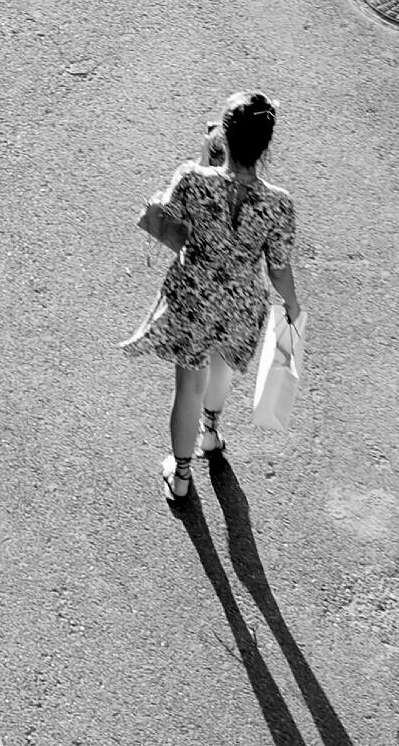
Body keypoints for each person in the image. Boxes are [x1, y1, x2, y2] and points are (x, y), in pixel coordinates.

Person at [125, 89, 302, 508]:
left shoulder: (192, 179)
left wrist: (204, 161)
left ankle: (181, 475)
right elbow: (278, 268)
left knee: (188, 385)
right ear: (266, 146)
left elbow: (165, 217)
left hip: (195, 294)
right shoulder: (280, 203)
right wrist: (292, 306)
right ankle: (210, 432)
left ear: (223, 134)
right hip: (242, 299)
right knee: (223, 365)